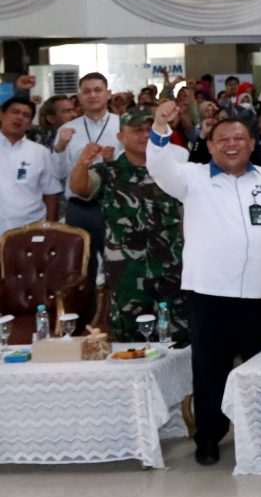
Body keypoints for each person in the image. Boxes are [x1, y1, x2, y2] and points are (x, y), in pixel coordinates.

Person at [145, 100, 261, 467]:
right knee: (210, 369)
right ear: (209, 146)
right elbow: (159, 166)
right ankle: (209, 438)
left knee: (260, 369)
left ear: (252, 144)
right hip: (209, 293)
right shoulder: (191, 178)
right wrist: (161, 127)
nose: (231, 144)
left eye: (239, 138)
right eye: (222, 139)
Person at [66, 108, 185, 343]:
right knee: (129, 342)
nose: (144, 136)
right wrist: (83, 162)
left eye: (149, 130)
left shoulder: (173, 172)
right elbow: (81, 188)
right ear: (121, 137)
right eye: (137, 130)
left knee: (178, 338)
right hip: (128, 273)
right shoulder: (108, 172)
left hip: (172, 270)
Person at [52, 72, 123, 319]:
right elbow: (57, 173)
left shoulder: (122, 125)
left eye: (98, 90)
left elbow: (134, 166)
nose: (92, 95)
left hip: (112, 205)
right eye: (87, 91)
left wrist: (115, 160)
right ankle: (83, 323)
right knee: (81, 268)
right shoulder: (66, 129)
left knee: (117, 264)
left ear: (108, 93)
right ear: (79, 97)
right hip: (78, 208)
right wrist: (60, 148)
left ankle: (117, 320)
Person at [1, 95, 62, 231]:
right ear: (1, 115)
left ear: (29, 124)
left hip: (30, 229)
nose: (19, 117)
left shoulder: (40, 153)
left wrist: (50, 228)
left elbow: (51, 192)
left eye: (26, 115)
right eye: (15, 112)